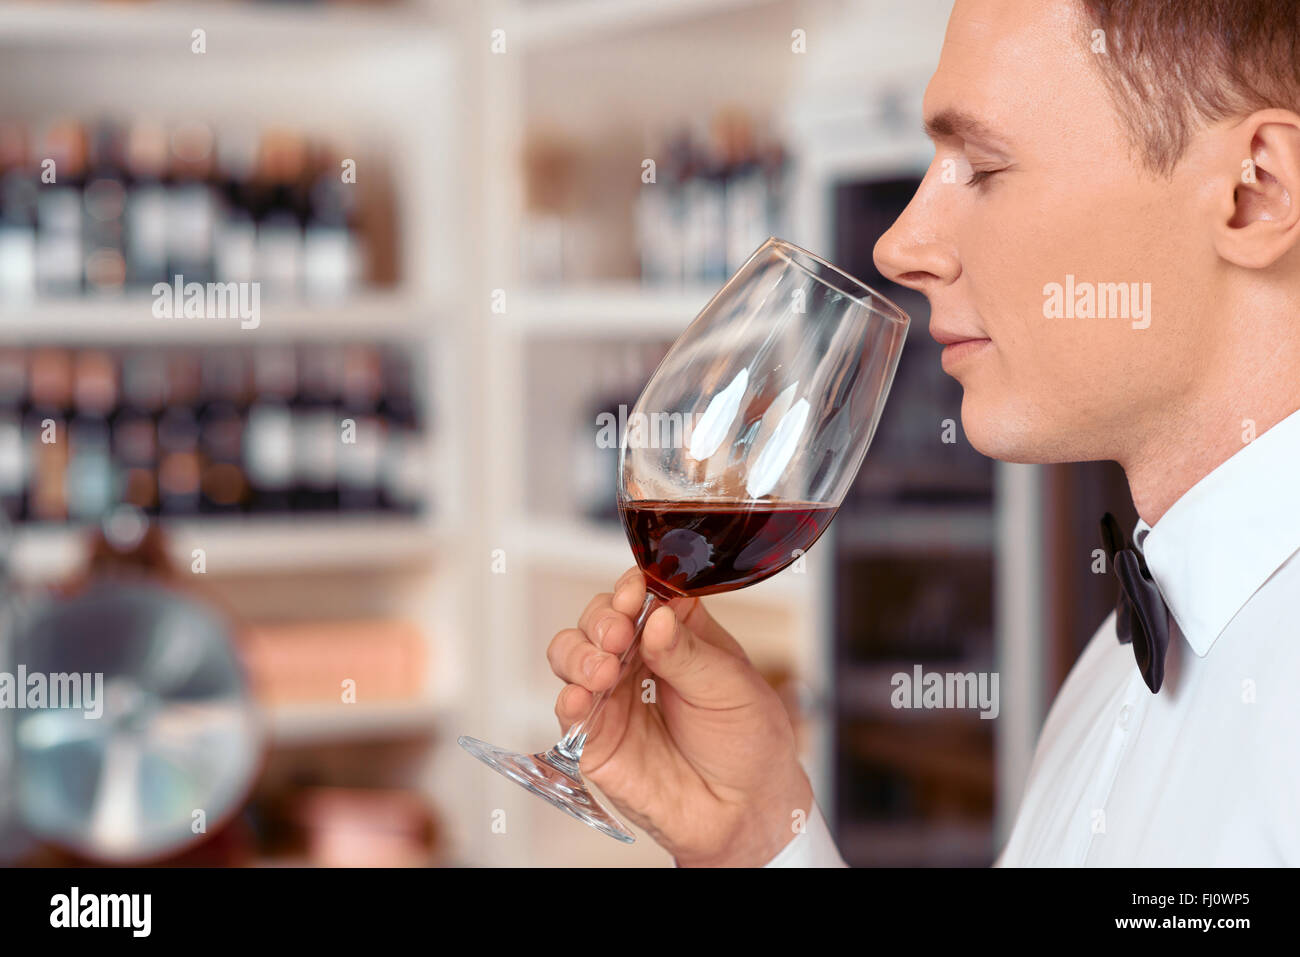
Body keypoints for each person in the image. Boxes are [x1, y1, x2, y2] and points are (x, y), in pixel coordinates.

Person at [546, 0, 1300, 866]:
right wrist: (758, 835)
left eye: (981, 165)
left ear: (1254, 191)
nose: (899, 246)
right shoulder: (1117, 655)